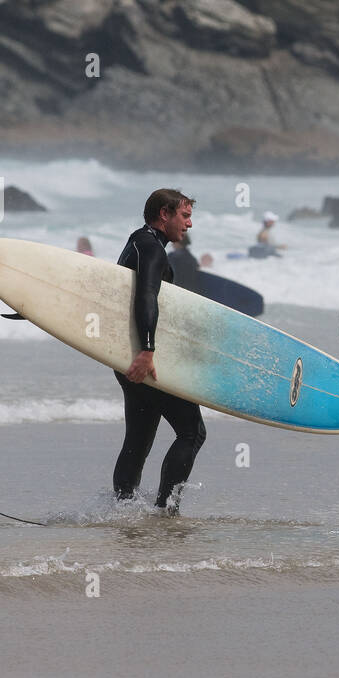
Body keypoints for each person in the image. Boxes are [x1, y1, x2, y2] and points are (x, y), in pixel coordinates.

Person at [113, 189, 205, 511]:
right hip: (145, 359)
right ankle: (167, 510)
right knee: (192, 432)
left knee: (137, 442)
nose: (189, 224)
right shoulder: (152, 249)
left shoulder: (136, 242)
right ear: (164, 214)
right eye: (185, 216)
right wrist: (148, 350)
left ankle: (122, 510)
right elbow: (146, 295)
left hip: (125, 357)